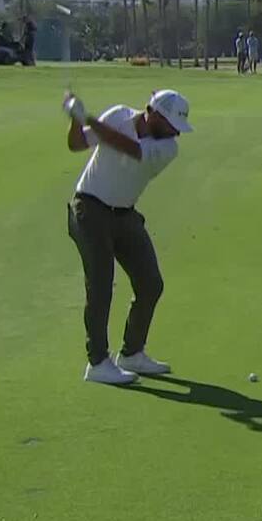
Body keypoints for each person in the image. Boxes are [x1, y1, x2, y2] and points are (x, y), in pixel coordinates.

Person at [62, 88, 193, 385]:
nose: (177, 132)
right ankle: (97, 363)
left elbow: (127, 148)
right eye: (173, 124)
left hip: (124, 215)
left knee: (150, 283)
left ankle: (132, 353)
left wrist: (89, 119)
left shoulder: (167, 148)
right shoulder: (119, 115)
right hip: (89, 208)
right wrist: (74, 119)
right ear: (154, 114)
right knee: (101, 284)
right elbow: (77, 143)